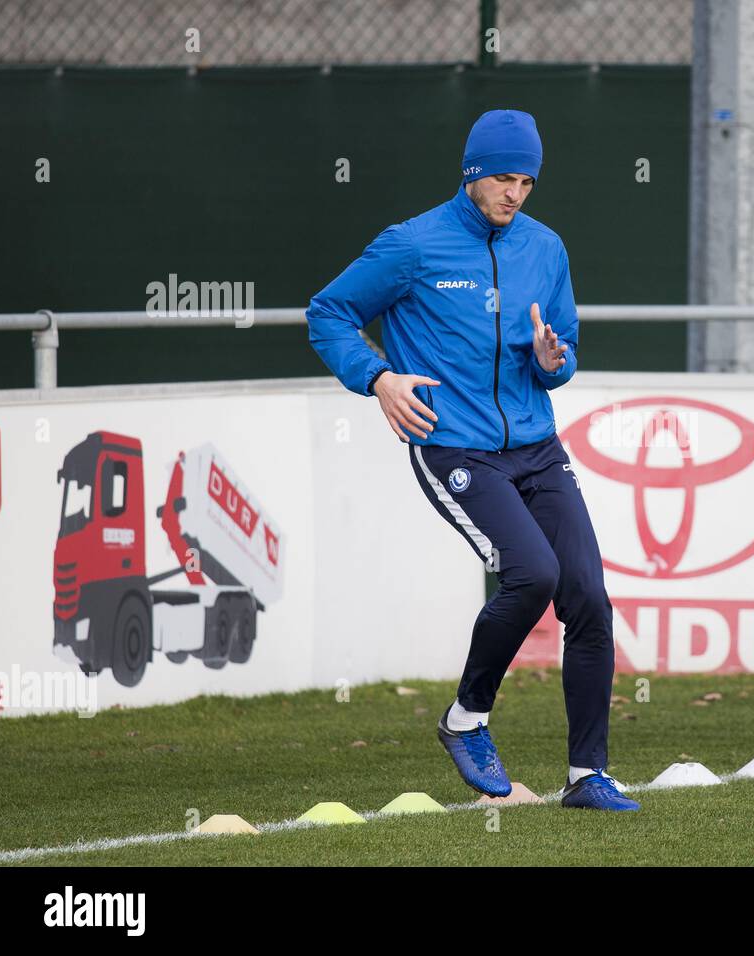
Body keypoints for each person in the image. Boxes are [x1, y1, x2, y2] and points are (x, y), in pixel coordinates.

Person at [306, 109, 638, 811]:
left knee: (588, 595)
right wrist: (378, 377)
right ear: (470, 172)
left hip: (537, 448)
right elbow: (328, 312)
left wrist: (555, 362)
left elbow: (563, 351)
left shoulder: (546, 249)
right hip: (454, 446)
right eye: (501, 177)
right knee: (533, 573)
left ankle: (587, 777)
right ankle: (467, 720)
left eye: (526, 181)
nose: (514, 193)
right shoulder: (412, 246)